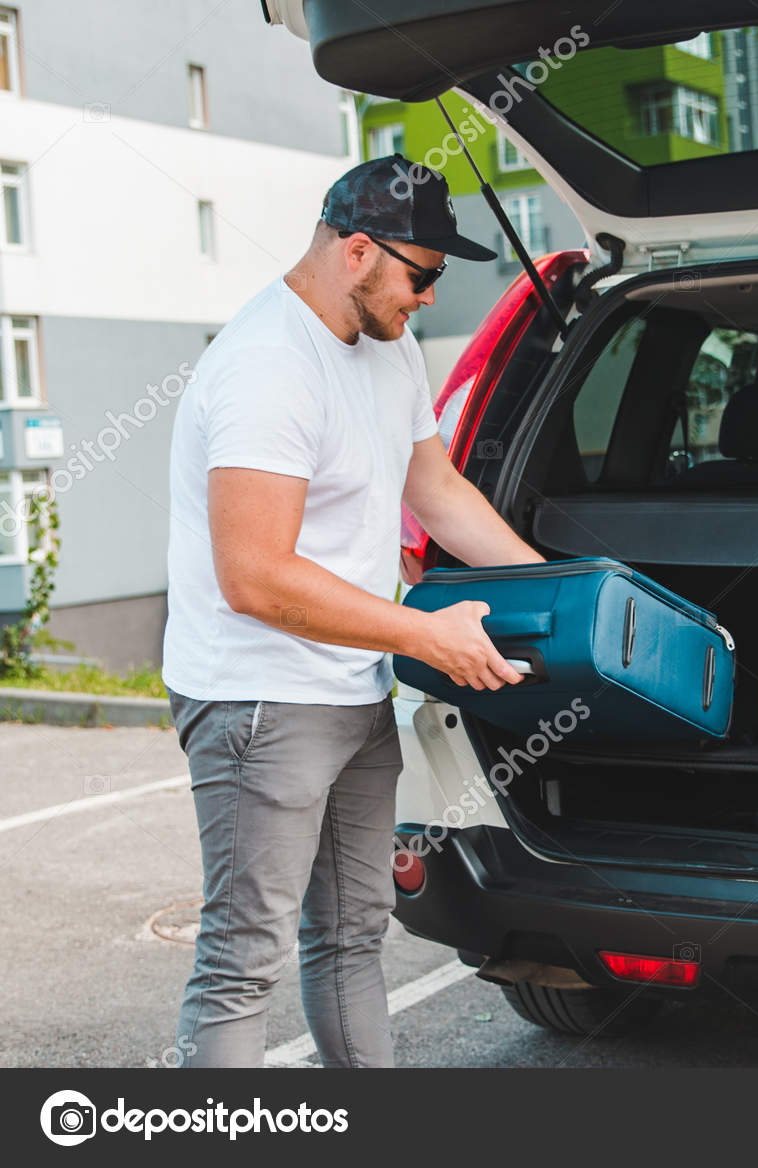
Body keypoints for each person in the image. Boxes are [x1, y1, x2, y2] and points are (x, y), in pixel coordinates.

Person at [160, 154, 541, 1067]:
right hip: (259, 700)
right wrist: (423, 634)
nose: (432, 299)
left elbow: (438, 490)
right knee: (242, 962)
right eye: (425, 274)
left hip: (353, 682)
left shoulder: (390, 347)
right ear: (358, 251)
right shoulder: (263, 367)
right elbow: (256, 576)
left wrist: (566, 588)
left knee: (352, 937)